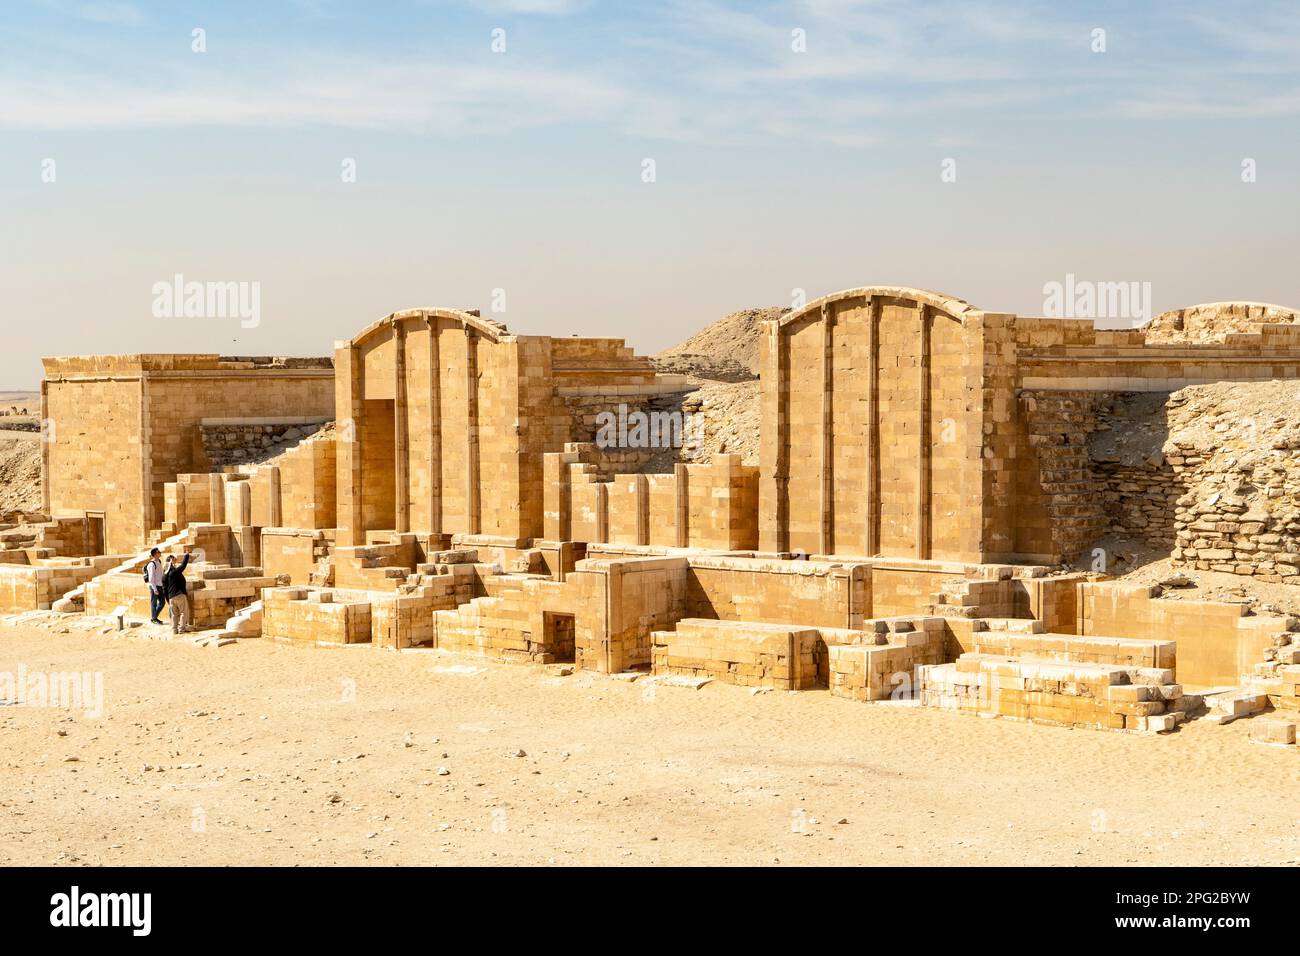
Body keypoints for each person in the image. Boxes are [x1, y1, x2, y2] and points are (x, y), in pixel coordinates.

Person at [162, 552, 193, 635]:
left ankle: (174, 630)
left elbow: (164, 589)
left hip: (171, 597)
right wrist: (186, 556)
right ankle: (181, 629)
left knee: (174, 615)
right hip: (179, 595)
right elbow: (183, 566)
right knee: (183, 612)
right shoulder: (174, 572)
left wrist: (168, 600)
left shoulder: (164, 576)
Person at [144, 548, 165, 624]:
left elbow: (161, 574)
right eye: (158, 552)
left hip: (160, 585)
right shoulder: (151, 564)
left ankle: (154, 617)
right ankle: (154, 618)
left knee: (162, 602)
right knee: (154, 603)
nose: (160, 553)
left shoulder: (159, 561)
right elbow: (151, 578)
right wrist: (155, 589)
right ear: (155, 554)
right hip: (154, 586)